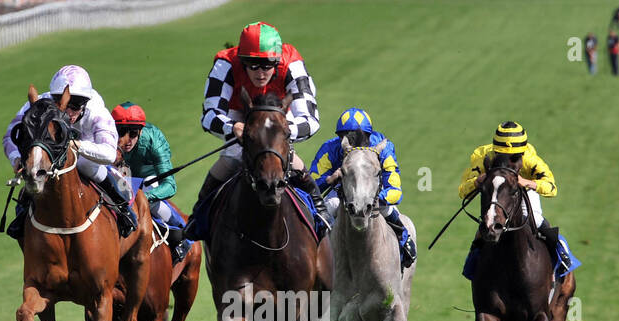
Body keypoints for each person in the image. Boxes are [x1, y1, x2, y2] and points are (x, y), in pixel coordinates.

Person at [189, 21, 323, 237]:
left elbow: (310, 118)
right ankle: (198, 216)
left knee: (285, 156)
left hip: (276, 114)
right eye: (253, 65)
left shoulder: (292, 64)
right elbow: (209, 115)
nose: (261, 73)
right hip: (238, 113)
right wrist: (232, 128)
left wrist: (282, 132)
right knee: (232, 155)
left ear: (277, 62)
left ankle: (321, 212)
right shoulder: (225, 64)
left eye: (267, 65)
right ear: (242, 61)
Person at [2, 64, 136, 239]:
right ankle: (22, 215)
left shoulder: (96, 112)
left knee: (86, 165)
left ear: (86, 102)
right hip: (51, 154)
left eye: (77, 105)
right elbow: (9, 136)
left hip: (85, 154)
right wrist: (17, 159)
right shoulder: (39, 104)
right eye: (65, 103)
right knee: (33, 170)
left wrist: (77, 146)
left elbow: (109, 154)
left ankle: (122, 208)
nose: (70, 111)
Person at [457, 122, 568, 281]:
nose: (507, 161)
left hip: (525, 193)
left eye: (513, 158)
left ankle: (562, 255)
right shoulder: (482, 158)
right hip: (499, 195)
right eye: (501, 156)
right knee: (485, 226)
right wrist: (477, 181)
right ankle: (473, 266)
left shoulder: (530, 160)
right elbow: (462, 191)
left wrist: (527, 182)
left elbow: (552, 188)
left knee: (536, 220)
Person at [308, 107, 414, 269]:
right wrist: (331, 179)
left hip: (375, 195)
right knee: (329, 207)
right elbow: (311, 187)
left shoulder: (383, 148)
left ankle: (404, 242)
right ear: (339, 137)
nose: (352, 140)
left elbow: (395, 190)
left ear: (368, 136)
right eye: (346, 136)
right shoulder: (330, 148)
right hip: (341, 194)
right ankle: (311, 255)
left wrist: (375, 199)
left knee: (387, 209)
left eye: (358, 136)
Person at [111, 101, 189, 263]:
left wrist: (142, 196)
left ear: (141, 131)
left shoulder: (154, 139)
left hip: (147, 181)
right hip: (119, 177)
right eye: (121, 132)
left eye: (133, 133)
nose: (127, 140)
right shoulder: (105, 135)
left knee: (148, 194)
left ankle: (182, 236)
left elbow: (169, 185)